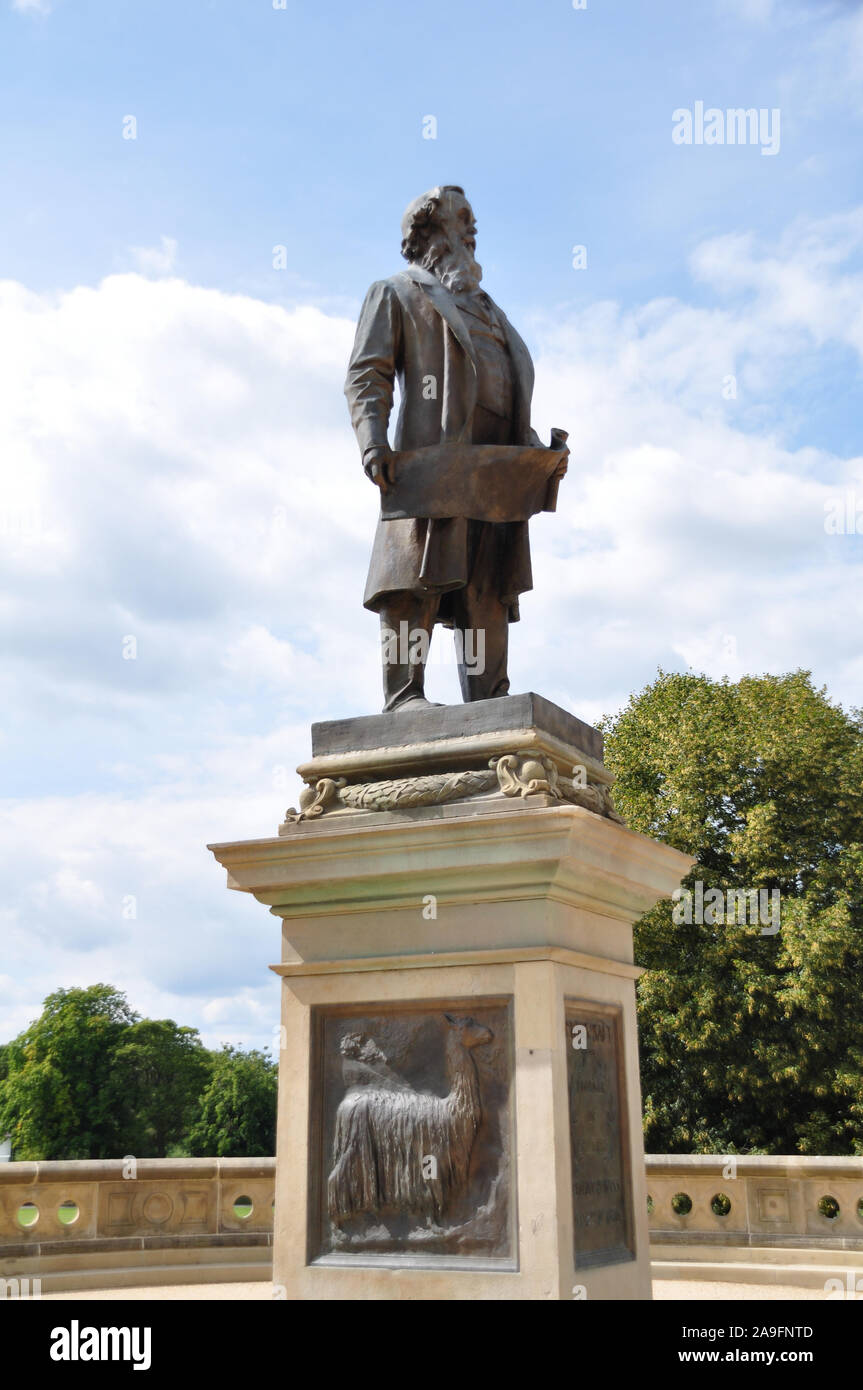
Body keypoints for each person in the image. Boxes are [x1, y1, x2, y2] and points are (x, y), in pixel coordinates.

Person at [345, 185, 567, 712]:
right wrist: (373, 441)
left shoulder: (490, 309)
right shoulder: (396, 292)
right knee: (413, 574)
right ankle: (404, 696)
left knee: (486, 584)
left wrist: (534, 453)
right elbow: (368, 373)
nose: (473, 228)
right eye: (462, 217)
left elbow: (504, 384)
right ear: (429, 229)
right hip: (431, 464)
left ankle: (489, 699)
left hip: (496, 474)